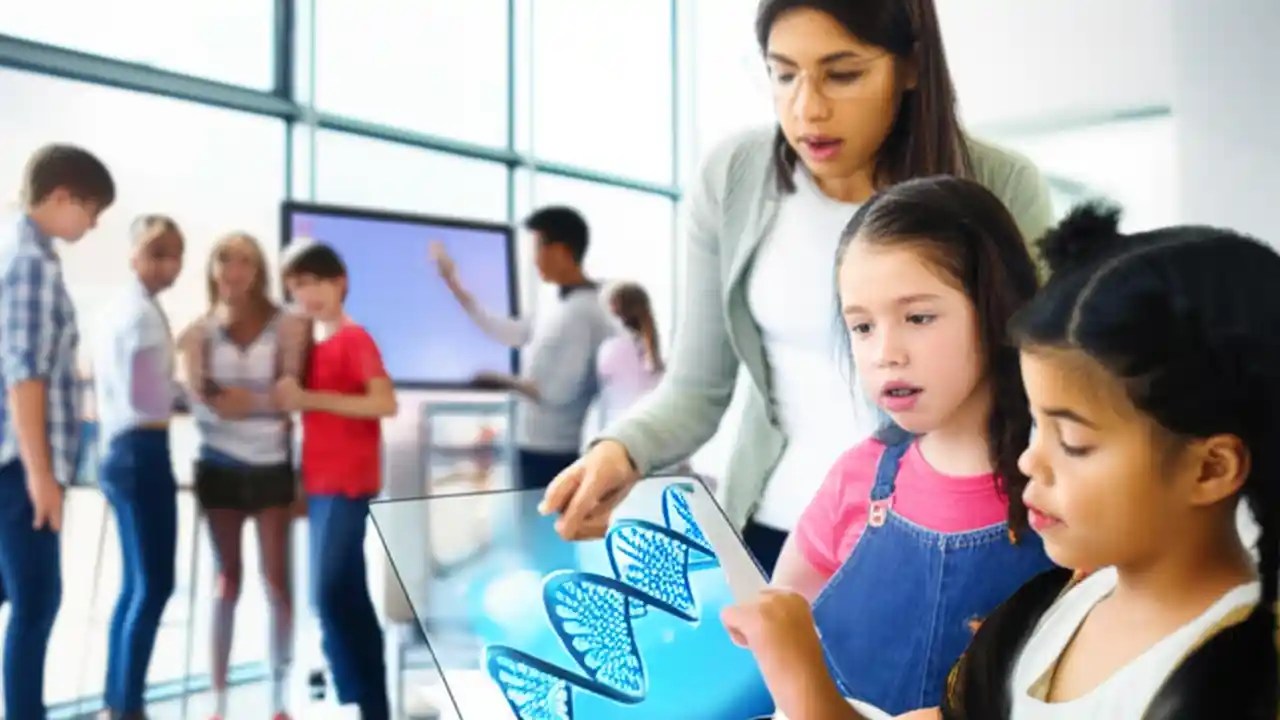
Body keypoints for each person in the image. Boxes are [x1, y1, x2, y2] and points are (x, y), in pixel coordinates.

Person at [540, 0, 1056, 573]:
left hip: (952, 537)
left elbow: (1042, 385)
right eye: (783, 74)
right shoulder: (733, 178)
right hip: (774, 534)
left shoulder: (1000, 185)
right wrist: (620, 451)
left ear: (911, 66)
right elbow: (696, 388)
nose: (807, 108)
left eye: (843, 73)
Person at [722, 205, 1280, 719]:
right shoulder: (1042, 615)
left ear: (1209, 468)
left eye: (1074, 442)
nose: (1031, 461)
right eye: (1037, 425)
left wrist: (801, 682)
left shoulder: (1238, 686)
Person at [768, 176, 1054, 714]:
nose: (885, 353)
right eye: (861, 327)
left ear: (996, 309)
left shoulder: (1058, 487)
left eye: (918, 318)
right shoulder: (857, 476)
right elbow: (779, 621)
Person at [0, 143, 114, 718]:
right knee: (37, 601)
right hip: (21, 467)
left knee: (17, 594)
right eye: (91, 211)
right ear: (63, 196)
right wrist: (41, 475)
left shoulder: (27, 258)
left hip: (19, 463)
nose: (93, 225)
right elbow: (26, 377)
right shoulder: (32, 267)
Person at [176, 232, 309, 720]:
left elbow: (289, 397)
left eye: (246, 262)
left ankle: (277, 698)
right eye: (225, 261)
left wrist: (241, 402)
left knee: (277, 583)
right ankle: (218, 699)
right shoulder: (197, 334)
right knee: (226, 580)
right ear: (213, 269)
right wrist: (256, 402)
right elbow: (202, 405)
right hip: (220, 467)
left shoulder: (289, 326)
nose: (235, 271)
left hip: (272, 465)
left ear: (259, 272)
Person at [277, 241, 397, 720]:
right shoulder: (310, 346)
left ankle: (358, 696)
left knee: (327, 595)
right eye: (297, 286)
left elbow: (384, 403)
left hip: (350, 480)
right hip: (321, 483)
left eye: (313, 281)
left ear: (339, 281)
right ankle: (372, 707)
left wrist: (310, 400)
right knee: (347, 595)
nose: (307, 294)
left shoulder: (355, 339)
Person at [430, 206, 614, 490]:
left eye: (538, 248)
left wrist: (501, 381)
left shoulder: (585, 313)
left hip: (553, 453)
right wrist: (453, 282)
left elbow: (558, 392)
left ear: (560, 251)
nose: (533, 259)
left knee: (547, 528)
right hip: (531, 446)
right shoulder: (557, 306)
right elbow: (506, 330)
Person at [92, 214, 184, 719]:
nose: (167, 265)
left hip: (117, 450)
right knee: (154, 584)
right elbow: (149, 397)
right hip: (143, 453)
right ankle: (128, 708)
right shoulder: (142, 316)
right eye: (157, 253)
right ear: (133, 253)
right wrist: (197, 396)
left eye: (174, 255)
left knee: (134, 585)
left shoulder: (119, 308)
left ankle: (117, 701)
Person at [596, 281, 664, 429]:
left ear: (613, 309)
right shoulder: (656, 355)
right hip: (648, 430)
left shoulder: (611, 350)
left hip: (619, 432)